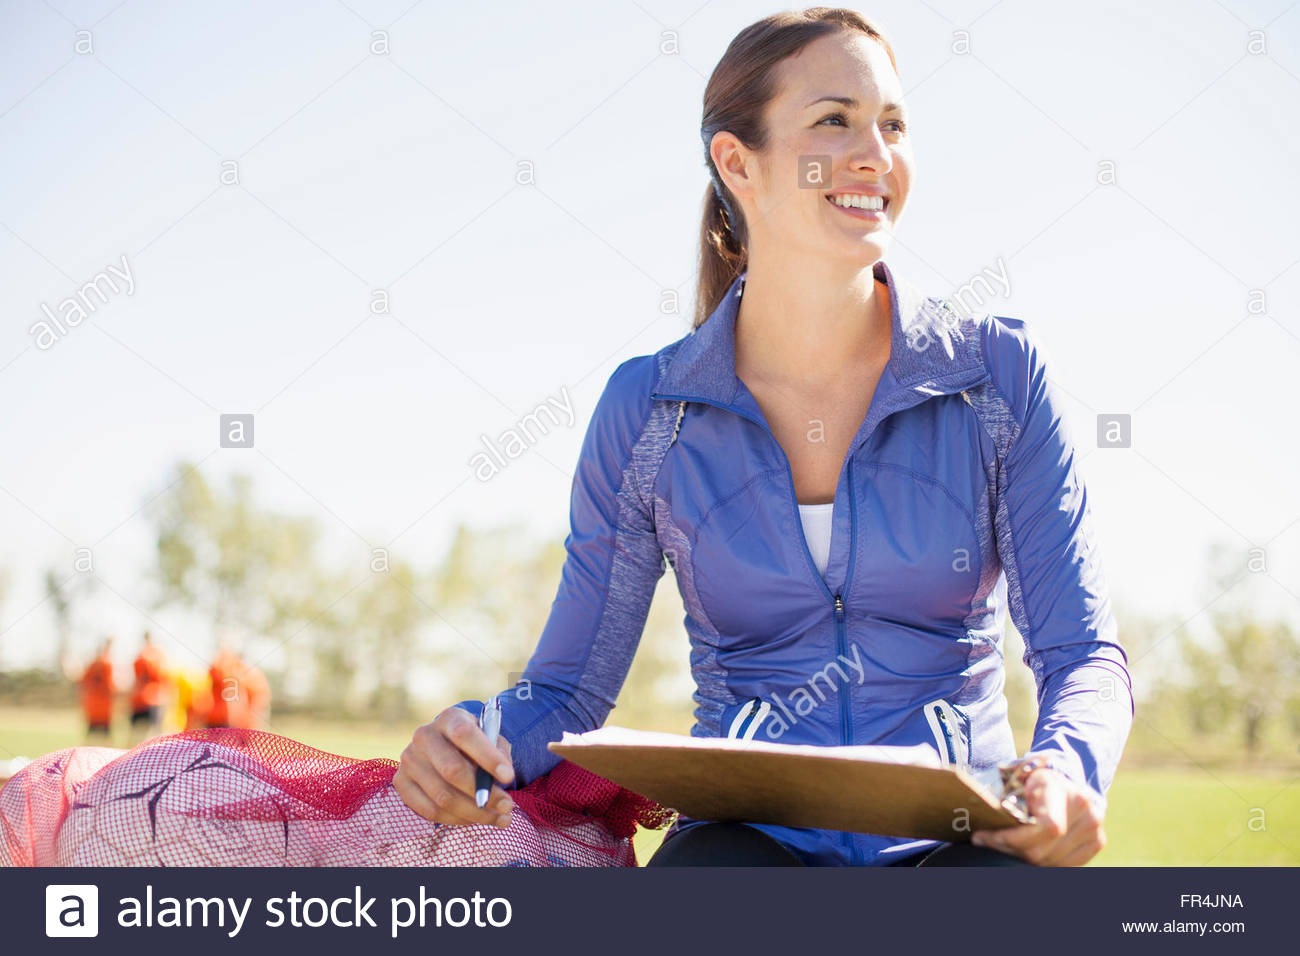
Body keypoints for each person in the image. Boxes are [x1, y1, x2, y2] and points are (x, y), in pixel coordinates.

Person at [395, 8, 1133, 867]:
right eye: (835, 121)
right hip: (746, 844)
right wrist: (472, 742)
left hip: (965, 839)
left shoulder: (997, 376)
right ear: (737, 163)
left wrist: (1066, 769)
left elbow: (1081, 652)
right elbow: (566, 690)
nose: (876, 154)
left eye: (893, 123)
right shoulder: (649, 412)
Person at [206, 641, 270, 730]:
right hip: (224, 722)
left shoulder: (245, 673)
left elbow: (258, 702)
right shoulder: (223, 668)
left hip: (237, 723)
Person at [128, 631, 169, 742]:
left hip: (141, 696)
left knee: (137, 733)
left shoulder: (140, 656)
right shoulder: (158, 656)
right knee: (155, 731)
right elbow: (164, 677)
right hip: (154, 697)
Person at [79, 637, 117, 742]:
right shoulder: (107, 664)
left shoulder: (91, 665)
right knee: (106, 737)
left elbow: (83, 683)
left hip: (93, 704)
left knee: (90, 735)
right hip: (104, 705)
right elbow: (110, 686)